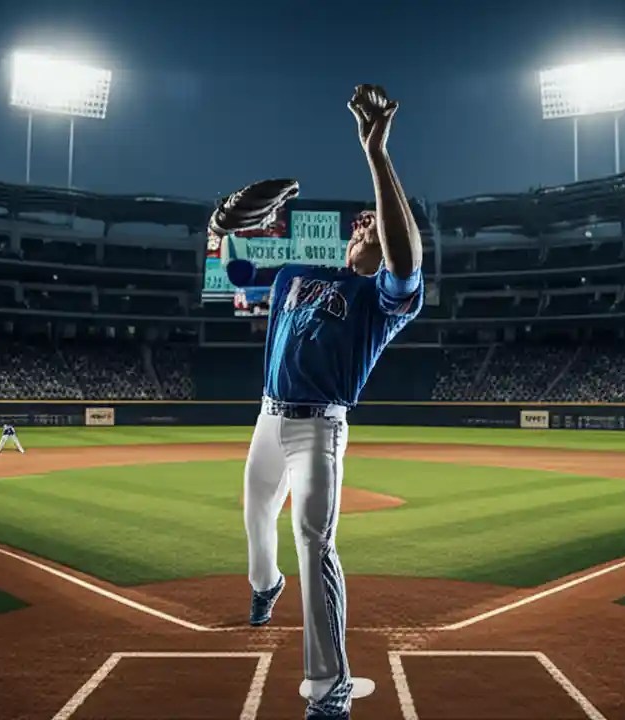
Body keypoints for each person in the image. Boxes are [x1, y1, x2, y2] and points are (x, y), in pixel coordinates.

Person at [227, 84, 423, 720]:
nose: (366, 220)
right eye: (362, 219)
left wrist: (377, 154)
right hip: (267, 414)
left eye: (375, 220)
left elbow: (407, 256)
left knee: (313, 540)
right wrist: (221, 231)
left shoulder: (383, 302)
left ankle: (330, 692)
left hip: (319, 428)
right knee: (256, 510)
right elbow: (234, 274)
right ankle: (264, 585)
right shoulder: (293, 277)